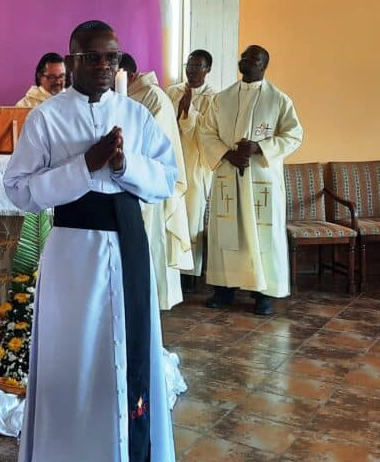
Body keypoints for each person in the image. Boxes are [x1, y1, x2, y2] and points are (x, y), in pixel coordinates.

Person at [4, 21, 177, 462]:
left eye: (111, 57)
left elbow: (166, 178)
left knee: (128, 364)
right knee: (76, 365)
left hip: (127, 245)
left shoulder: (137, 116)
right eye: (92, 57)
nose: (103, 66)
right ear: (72, 59)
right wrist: (86, 165)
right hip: (73, 252)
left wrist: (123, 165)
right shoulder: (46, 119)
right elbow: (19, 189)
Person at [197, 45, 303, 316]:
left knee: (261, 235)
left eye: (252, 59)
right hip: (228, 177)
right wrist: (227, 154)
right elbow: (206, 132)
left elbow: (293, 135)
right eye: (243, 57)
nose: (245, 61)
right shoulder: (222, 98)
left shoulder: (279, 100)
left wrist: (259, 148)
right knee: (228, 233)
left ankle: (262, 293)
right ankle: (223, 290)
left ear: (264, 66)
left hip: (260, 182)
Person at [120, 54, 193, 310]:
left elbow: (155, 146)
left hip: (146, 182)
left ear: (128, 76)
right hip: (126, 181)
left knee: (151, 240)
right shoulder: (126, 96)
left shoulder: (153, 96)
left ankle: (154, 299)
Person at [165, 50, 216, 289]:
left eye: (198, 66)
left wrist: (189, 112)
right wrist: (178, 112)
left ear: (208, 70)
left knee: (192, 216)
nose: (192, 71)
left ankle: (189, 274)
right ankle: (170, 266)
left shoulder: (213, 99)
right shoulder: (172, 92)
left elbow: (206, 133)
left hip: (196, 164)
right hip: (173, 161)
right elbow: (164, 125)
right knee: (171, 210)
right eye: (190, 65)